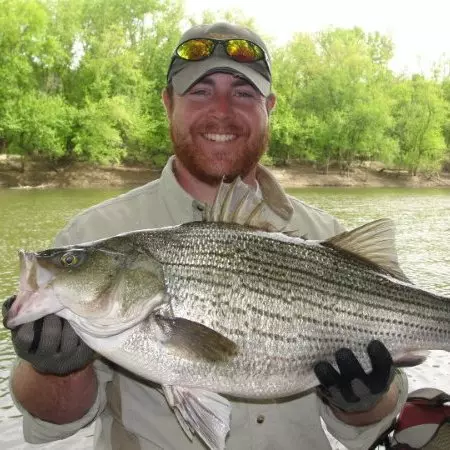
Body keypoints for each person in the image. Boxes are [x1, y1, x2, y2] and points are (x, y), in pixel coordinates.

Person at [2, 22, 409, 450]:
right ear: (167, 104)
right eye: (199, 91)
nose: (221, 110)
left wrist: (366, 398)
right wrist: (54, 366)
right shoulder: (94, 233)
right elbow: (55, 423)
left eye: (243, 93)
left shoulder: (327, 237)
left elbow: (366, 425)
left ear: (269, 107)